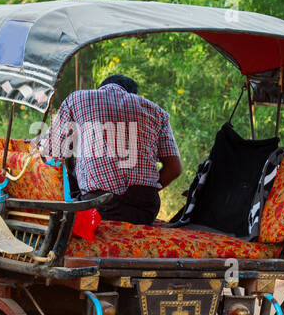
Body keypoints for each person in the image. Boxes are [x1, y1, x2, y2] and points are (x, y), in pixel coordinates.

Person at [44, 73, 182, 225]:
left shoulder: (77, 99)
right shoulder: (157, 111)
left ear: (100, 89)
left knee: (67, 162)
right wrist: (146, 192)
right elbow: (174, 169)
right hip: (144, 210)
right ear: (133, 96)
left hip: (97, 206)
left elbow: (53, 150)